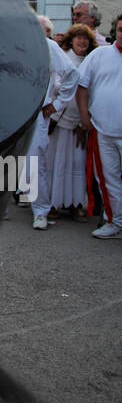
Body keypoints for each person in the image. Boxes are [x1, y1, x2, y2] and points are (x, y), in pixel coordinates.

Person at [22, 32, 81, 229]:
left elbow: (71, 74)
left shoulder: (47, 46)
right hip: (7, 112)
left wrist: (56, 105)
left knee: (34, 163)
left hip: (36, 112)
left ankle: (41, 211)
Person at [75, 13, 122, 238]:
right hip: (103, 130)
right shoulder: (100, 55)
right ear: (116, 31)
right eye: (121, 29)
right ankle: (116, 223)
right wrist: (84, 115)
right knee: (108, 180)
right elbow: (82, 86)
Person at [45, 25, 97, 221]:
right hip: (59, 119)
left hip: (80, 122)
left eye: (85, 39)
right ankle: (53, 204)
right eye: (78, 38)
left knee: (76, 164)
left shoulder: (91, 60)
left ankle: (75, 204)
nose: (82, 42)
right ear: (71, 40)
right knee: (56, 163)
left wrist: (86, 117)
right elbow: (57, 84)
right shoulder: (63, 57)